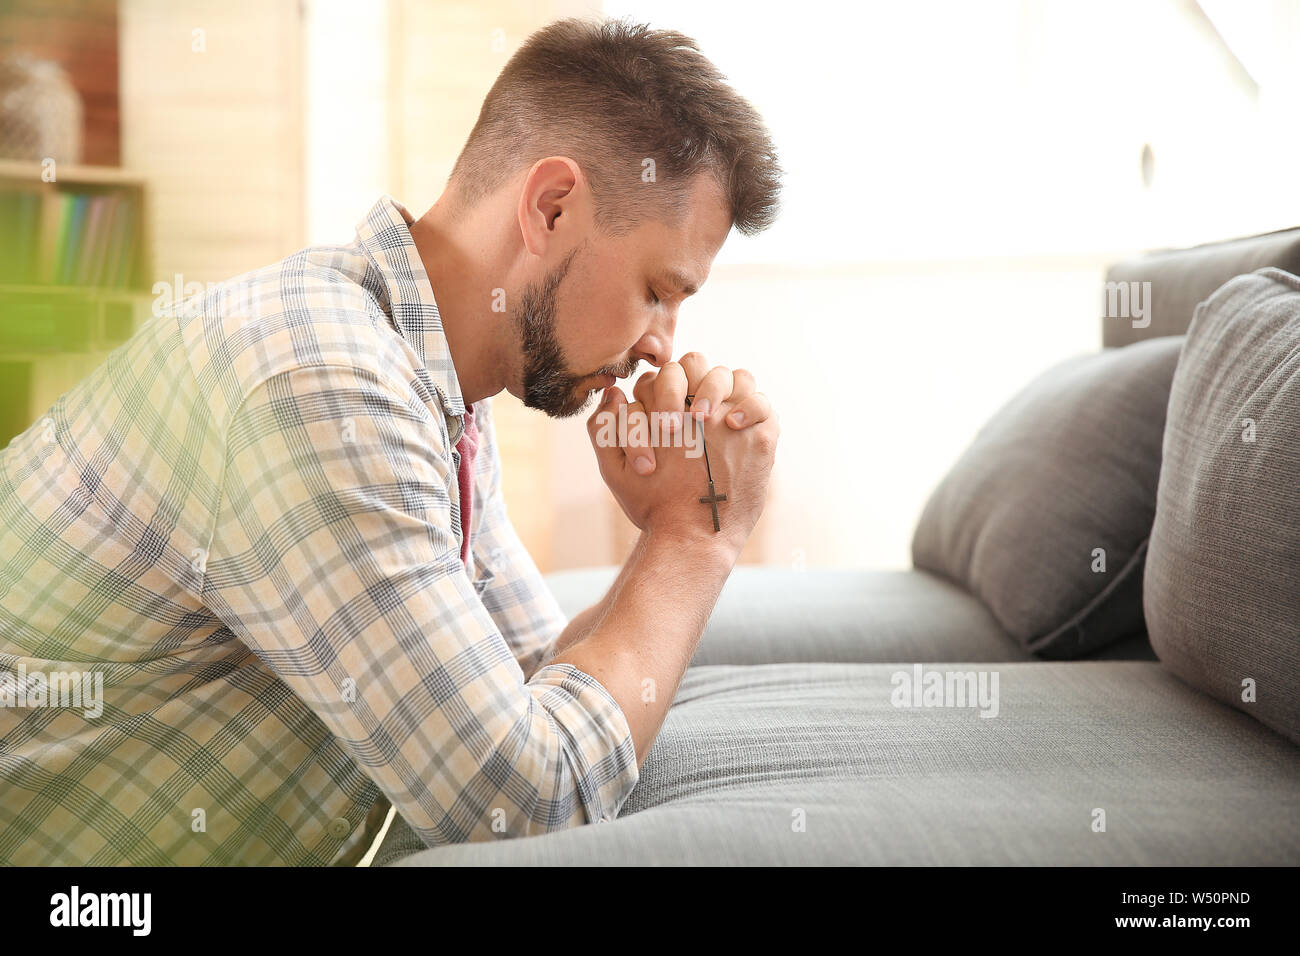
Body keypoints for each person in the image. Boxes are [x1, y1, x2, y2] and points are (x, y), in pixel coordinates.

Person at [0, 17, 781, 865]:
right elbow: (521, 805)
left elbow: (520, 681)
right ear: (550, 207)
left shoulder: (440, 384)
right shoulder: (323, 378)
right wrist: (695, 537)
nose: (665, 343)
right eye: (658, 291)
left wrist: (663, 536)